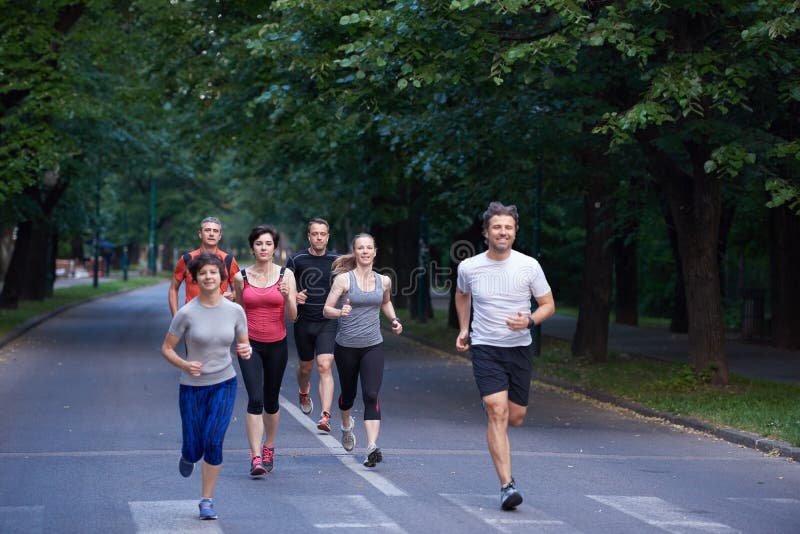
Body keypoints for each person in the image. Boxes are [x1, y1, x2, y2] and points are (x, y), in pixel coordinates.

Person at [455, 201, 555, 511]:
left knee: (516, 416)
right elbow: (462, 295)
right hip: (486, 348)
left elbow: (548, 304)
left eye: (508, 227)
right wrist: (463, 329)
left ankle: (503, 452)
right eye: (497, 227)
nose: (503, 232)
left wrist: (529, 321)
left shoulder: (529, 266)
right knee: (496, 410)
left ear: (515, 232)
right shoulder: (469, 267)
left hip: (520, 348)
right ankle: (506, 485)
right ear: (486, 232)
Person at [160, 252, 252, 521]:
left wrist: (245, 350)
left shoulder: (235, 311)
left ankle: (206, 501)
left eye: (213, 272)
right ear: (195, 279)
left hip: (224, 382)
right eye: (203, 273)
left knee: (213, 440)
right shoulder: (187, 313)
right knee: (193, 445)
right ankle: (188, 454)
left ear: (222, 277)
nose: (209, 277)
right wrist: (185, 365)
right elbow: (166, 349)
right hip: (191, 386)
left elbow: (243, 345)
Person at [323, 233, 402, 468]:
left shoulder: (384, 281)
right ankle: (346, 426)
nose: (365, 251)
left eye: (369, 248)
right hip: (346, 346)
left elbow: (386, 301)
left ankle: (371, 447)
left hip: (372, 345)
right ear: (355, 252)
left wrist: (394, 319)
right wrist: (339, 313)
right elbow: (327, 309)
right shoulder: (344, 280)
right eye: (361, 248)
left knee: (370, 394)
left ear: (375, 252)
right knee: (348, 395)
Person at [232, 225, 297, 477]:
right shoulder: (241, 277)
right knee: (255, 399)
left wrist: (288, 297)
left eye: (268, 244)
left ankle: (269, 446)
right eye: (259, 244)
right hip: (249, 344)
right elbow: (238, 312)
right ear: (252, 247)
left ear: (274, 247)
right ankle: (255, 456)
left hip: (277, 343)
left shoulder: (286, 276)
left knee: (271, 401)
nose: (263, 248)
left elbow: (293, 316)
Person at [286, 218, 339, 432]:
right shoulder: (296, 259)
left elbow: (348, 283)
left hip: (327, 321)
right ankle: (303, 390)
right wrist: (293, 296)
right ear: (309, 236)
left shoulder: (337, 260)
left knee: (325, 366)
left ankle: (325, 416)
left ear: (328, 236)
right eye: (314, 233)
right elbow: (284, 288)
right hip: (303, 321)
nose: (319, 237)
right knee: (306, 367)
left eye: (322, 234)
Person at [169, 216, 240, 317]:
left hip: (220, 318)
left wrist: (232, 296)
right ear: (200, 234)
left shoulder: (228, 260)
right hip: (192, 319)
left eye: (215, 231)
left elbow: (239, 290)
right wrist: (175, 317)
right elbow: (173, 288)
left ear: (220, 236)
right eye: (207, 230)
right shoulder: (187, 259)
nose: (211, 234)